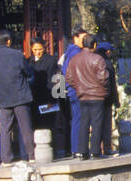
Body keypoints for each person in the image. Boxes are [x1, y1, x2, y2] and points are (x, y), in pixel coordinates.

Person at [0, 30, 36, 164]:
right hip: (20, 95)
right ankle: (30, 156)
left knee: (5, 129)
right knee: (25, 127)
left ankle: (6, 159)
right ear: (8, 41)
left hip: (2, 97)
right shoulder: (17, 55)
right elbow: (28, 71)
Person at [65, 33, 110, 159]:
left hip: (82, 95)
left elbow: (68, 77)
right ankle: (95, 151)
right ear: (94, 45)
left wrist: (79, 86)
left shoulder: (74, 59)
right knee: (96, 123)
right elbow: (103, 78)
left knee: (83, 123)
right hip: (96, 95)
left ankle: (82, 151)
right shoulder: (98, 59)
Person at [59, 27, 88, 156]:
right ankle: (78, 148)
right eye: (83, 38)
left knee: (77, 118)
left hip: (73, 89)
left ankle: (76, 148)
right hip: (77, 90)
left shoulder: (69, 52)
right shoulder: (76, 53)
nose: (85, 41)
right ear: (75, 38)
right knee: (79, 119)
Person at [27, 39, 60, 135]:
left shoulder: (51, 60)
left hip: (49, 98)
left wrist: (58, 99)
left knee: (48, 126)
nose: (37, 52)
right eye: (35, 49)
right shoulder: (29, 61)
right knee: (36, 126)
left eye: (40, 49)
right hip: (34, 98)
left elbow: (57, 79)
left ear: (44, 48)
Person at [96, 40, 118, 156]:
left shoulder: (94, 60)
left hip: (94, 97)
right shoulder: (107, 63)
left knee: (96, 123)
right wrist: (116, 100)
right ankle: (107, 147)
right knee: (106, 124)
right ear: (107, 51)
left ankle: (96, 149)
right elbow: (112, 83)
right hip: (107, 97)